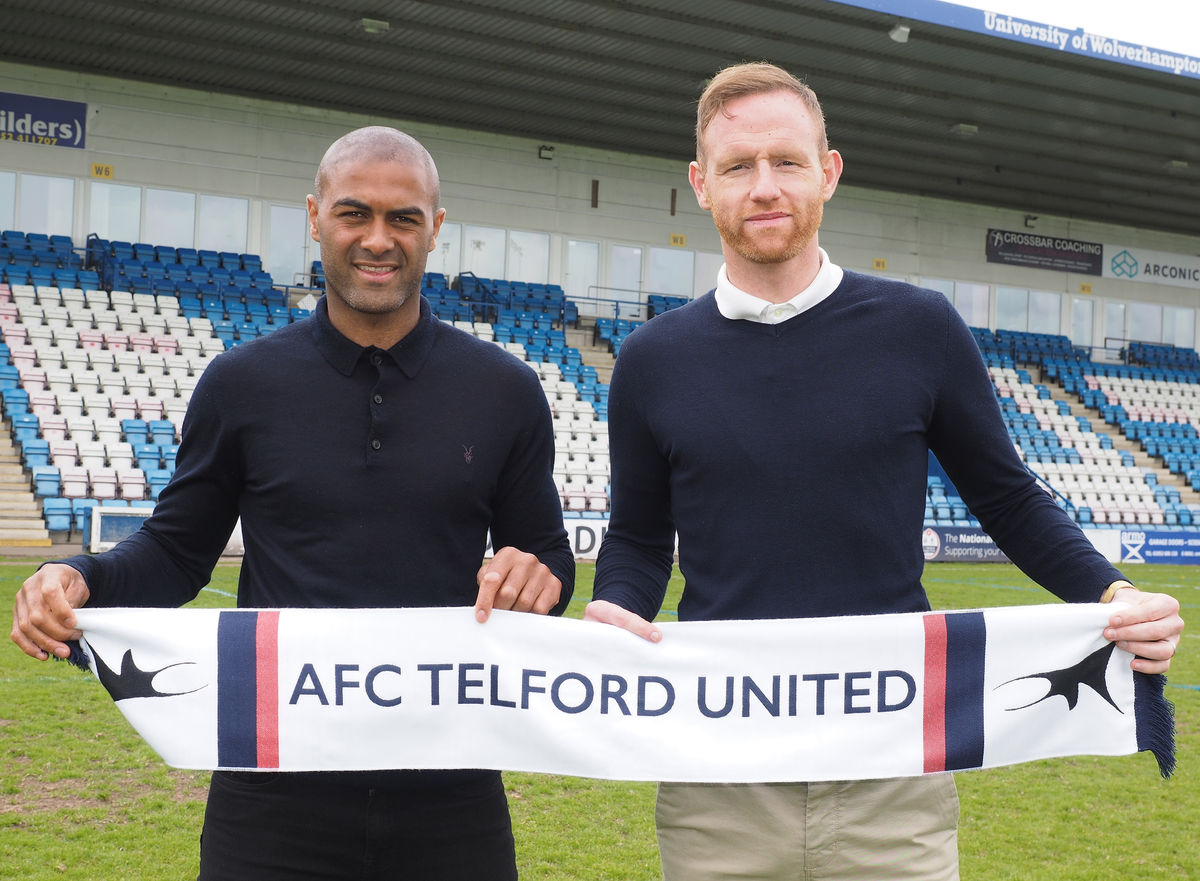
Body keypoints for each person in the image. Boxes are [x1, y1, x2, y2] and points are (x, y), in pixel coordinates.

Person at [585, 62, 1183, 881]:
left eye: (787, 161)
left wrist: (1113, 594)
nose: (764, 186)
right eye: (738, 166)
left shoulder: (919, 327)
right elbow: (640, 538)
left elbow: (1007, 497)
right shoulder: (652, 359)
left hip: (894, 751)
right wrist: (616, 604)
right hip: (721, 756)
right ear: (701, 184)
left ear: (828, 171)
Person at [11, 125, 575, 881]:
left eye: (403, 217)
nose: (379, 239)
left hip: (451, 785)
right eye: (354, 214)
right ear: (315, 217)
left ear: (436, 229)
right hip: (271, 787)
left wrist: (539, 578)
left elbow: (548, 556)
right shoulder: (242, 383)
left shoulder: (505, 389)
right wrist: (84, 576)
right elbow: (178, 553)